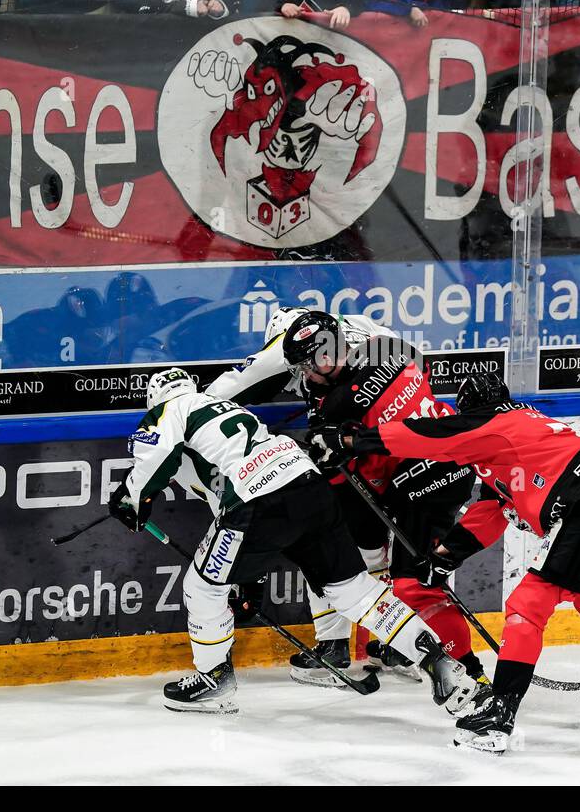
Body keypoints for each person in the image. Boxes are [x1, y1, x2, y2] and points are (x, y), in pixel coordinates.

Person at [314, 372, 580, 754]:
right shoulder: (528, 431)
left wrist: (352, 440)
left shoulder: (493, 423)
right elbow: (493, 509)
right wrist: (444, 558)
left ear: (469, 412)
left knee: (527, 606)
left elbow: (425, 438)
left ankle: (499, 715)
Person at [108, 367, 480, 716]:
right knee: (353, 590)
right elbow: (227, 511)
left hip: (259, 499)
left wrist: (130, 500)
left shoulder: (168, 411)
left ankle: (213, 680)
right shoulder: (222, 408)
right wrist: (246, 577)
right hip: (309, 484)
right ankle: (432, 653)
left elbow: (153, 460)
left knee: (201, 587)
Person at [204, 306, 416, 685]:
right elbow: (411, 357)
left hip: (361, 452)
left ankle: (334, 645)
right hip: (402, 448)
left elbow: (218, 394)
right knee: (391, 552)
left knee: (322, 542)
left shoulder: (280, 350)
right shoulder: (356, 329)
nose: (296, 371)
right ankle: (399, 644)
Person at [283, 311, 487, 685]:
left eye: (305, 369)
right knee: (422, 569)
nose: (304, 379)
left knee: (398, 572)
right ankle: (399, 647)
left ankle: (459, 668)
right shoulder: (387, 350)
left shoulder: (336, 408)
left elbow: (368, 475)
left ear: (324, 361)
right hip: (455, 460)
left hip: (419, 483)